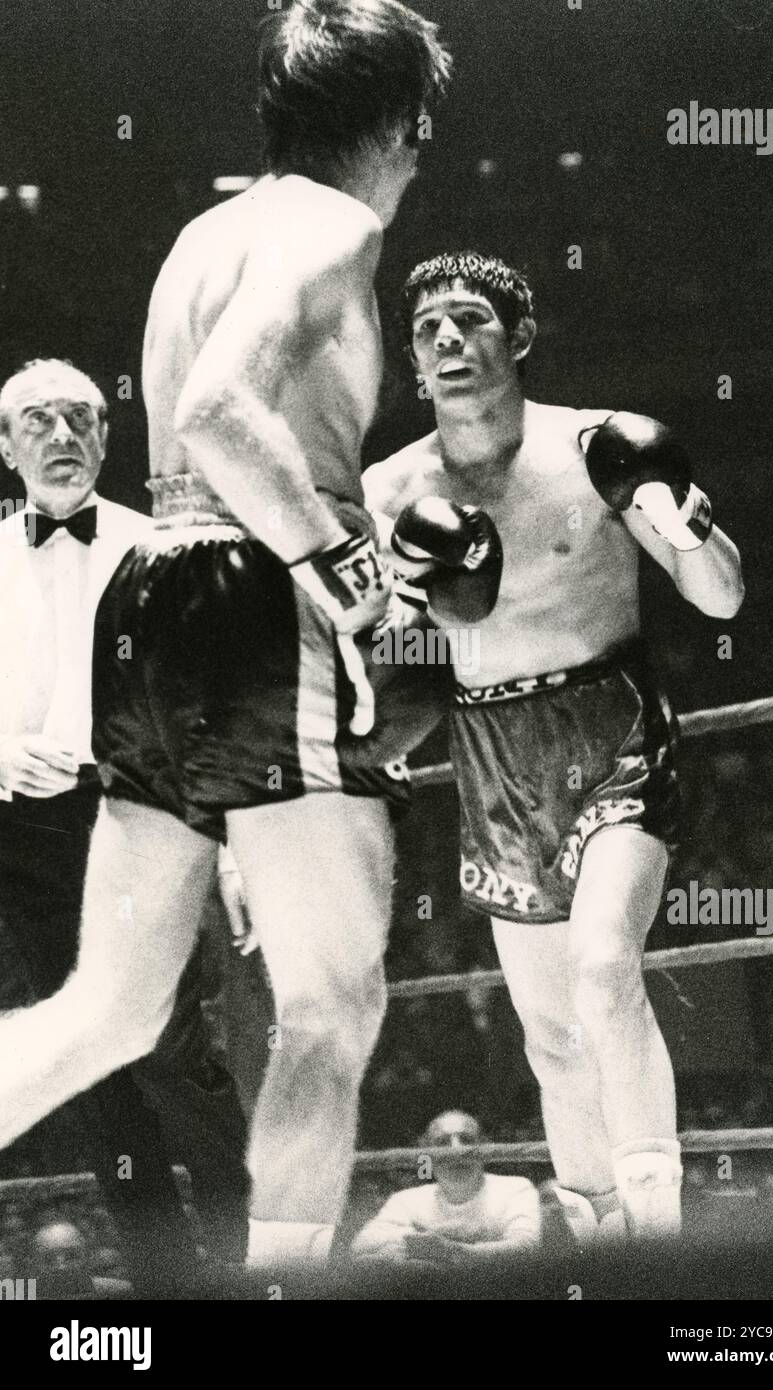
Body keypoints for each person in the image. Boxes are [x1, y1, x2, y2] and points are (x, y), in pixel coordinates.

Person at [0, 0, 455, 1270]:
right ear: (407, 123)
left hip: (149, 601)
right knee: (328, 1000)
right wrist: (353, 582)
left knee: (111, 1008)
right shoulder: (338, 224)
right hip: (257, 595)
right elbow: (214, 409)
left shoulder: (209, 230)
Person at [364, 251, 745, 1244]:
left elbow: (721, 597)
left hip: (609, 723)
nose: (449, 340)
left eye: (470, 320)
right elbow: (380, 668)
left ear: (519, 336)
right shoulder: (389, 487)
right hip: (490, 748)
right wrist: (405, 606)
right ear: (412, 361)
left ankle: (660, 1234)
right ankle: (602, 1237)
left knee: (604, 962)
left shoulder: (596, 449)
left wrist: (681, 514)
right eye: (429, 330)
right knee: (550, 1036)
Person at [0, 358, 249, 1287]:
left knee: (172, 1049)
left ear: (106, 435)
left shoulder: (166, 548)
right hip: (25, 834)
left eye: (80, 417)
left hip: (146, 811)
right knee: (88, 1072)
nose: (60, 436)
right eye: (38, 421)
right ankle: (166, 1283)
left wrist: (234, 848)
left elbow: (216, 707)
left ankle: (253, 1266)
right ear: (5, 445)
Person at [351, 1110, 540, 1265]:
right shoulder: (407, 1199)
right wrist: (436, 1236)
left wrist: (454, 1251)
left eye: (466, 1140)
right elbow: (361, 1245)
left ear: (484, 1148)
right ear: (426, 1155)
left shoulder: (515, 1188)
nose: (456, 1151)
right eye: (442, 1142)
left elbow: (526, 1245)